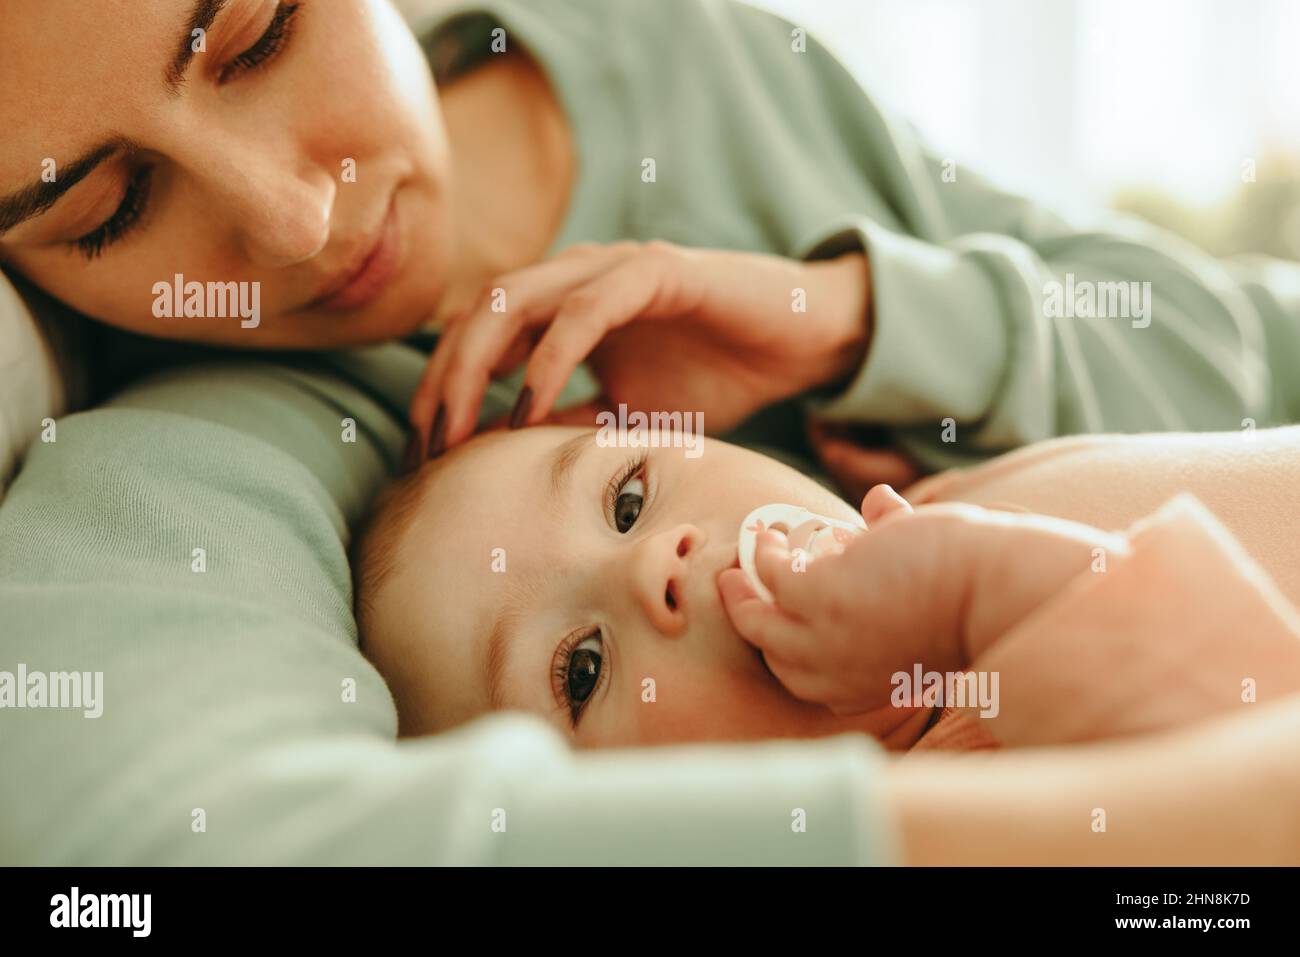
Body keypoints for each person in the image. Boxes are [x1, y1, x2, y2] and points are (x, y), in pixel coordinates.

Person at [2, 0, 1298, 484]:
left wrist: (837, 314)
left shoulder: (675, 48)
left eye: (261, 37)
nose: (294, 226)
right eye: (107, 212)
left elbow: (1228, 353)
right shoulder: (207, 450)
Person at [352, 422, 1300, 749]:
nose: (652, 564)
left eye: (630, 496)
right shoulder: (957, 820)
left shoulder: (954, 487)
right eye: (582, 672)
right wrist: (981, 589)